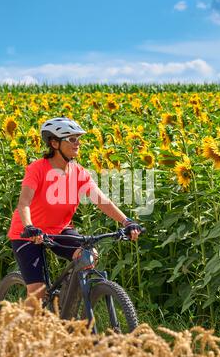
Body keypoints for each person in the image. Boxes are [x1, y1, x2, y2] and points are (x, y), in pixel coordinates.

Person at [8, 117, 142, 301]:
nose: (78, 143)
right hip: (28, 233)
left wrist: (127, 221)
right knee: (37, 292)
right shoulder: (37, 169)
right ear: (54, 143)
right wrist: (29, 226)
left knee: (89, 256)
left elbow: (102, 200)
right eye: (71, 139)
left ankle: (66, 300)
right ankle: (25, 329)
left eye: (78, 138)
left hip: (59, 230)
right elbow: (24, 203)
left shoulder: (79, 172)